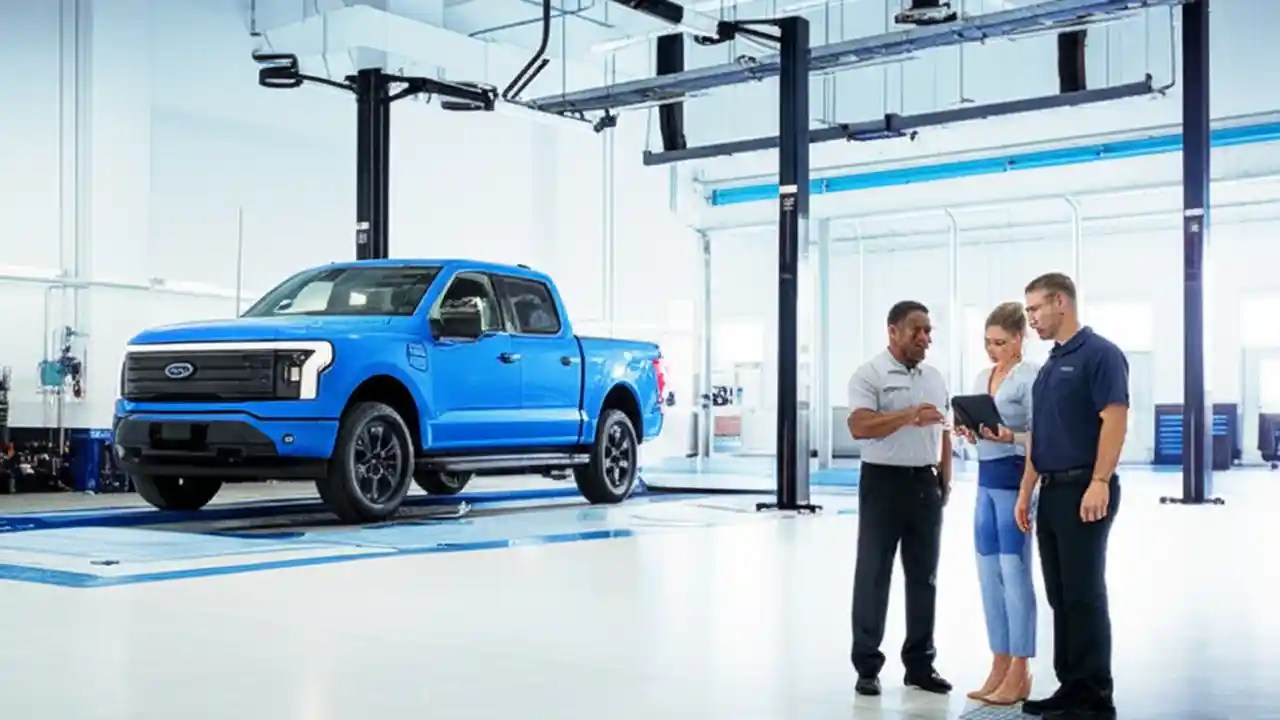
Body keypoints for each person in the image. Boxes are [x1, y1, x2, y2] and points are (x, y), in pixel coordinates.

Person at [1016, 273, 1128, 719]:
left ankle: (1095, 695)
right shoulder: (1049, 365)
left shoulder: (1100, 355)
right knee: (1061, 594)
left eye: (1036, 310)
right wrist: (1027, 491)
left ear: (1061, 302)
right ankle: (1071, 685)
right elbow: (1040, 437)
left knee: (1084, 593)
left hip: (1086, 487)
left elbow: (1115, 419)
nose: (1032, 320)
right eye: (1028, 312)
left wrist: (1100, 480)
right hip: (1052, 490)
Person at [846, 300, 953, 698]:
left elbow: (944, 427)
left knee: (924, 577)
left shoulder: (936, 378)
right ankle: (867, 666)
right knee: (873, 574)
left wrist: (946, 478)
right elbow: (859, 425)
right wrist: (908, 415)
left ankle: (920, 665)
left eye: (928, 331)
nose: (925, 338)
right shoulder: (869, 374)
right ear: (893, 331)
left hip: (925, 484)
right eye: (916, 331)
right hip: (883, 485)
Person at [952, 302, 1039, 706]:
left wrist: (1011, 439)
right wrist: (971, 432)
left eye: (1000, 342)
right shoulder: (982, 376)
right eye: (988, 342)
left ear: (1020, 338)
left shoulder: (1030, 379)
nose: (992, 350)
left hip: (1013, 480)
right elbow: (982, 432)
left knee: (1015, 574)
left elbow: (1041, 438)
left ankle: (1021, 670)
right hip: (984, 483)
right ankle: (999, 663)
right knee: (989, 576)